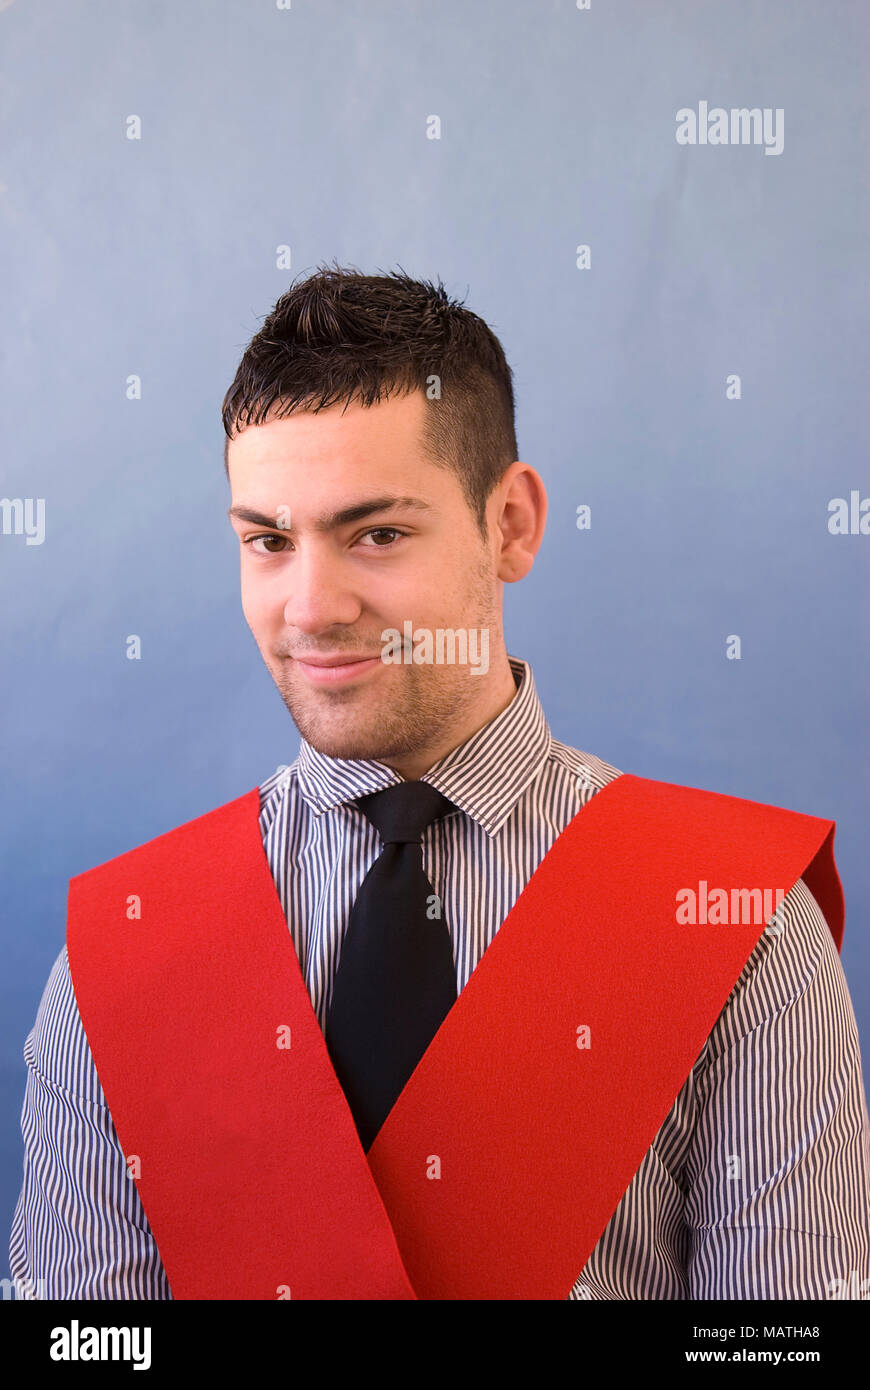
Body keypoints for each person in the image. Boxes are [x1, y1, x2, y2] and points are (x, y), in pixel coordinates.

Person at [9, 265, 870, 1300]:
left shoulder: (740, 920)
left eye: (376, 533)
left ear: (509, 524)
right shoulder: (122, 952)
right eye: (269, 542)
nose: (311, 607)